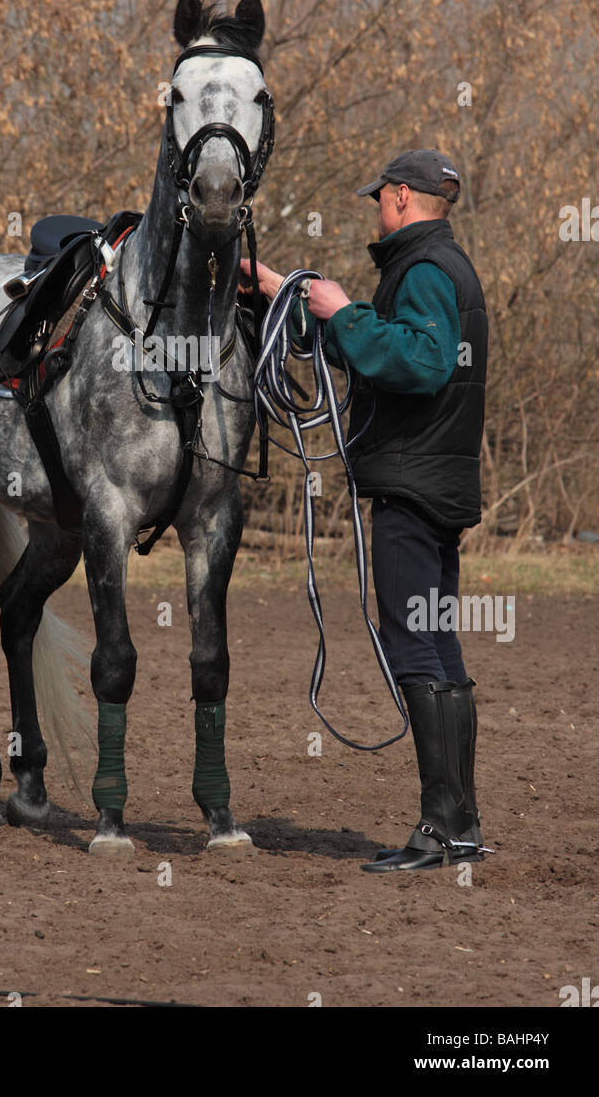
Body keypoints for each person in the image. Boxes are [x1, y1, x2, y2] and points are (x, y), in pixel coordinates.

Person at [242, 149, 489, 872]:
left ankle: (442, 827)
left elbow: (418, 362)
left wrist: (346, 310)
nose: (375, 207)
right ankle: (460, 824)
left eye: (380, 197)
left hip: (413, 488)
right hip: (438, 483)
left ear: (403, 197)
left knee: (416, 648)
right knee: (440, 647)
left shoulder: (421, 272)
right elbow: (389, 356)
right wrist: (287, 295)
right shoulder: (446, 267)